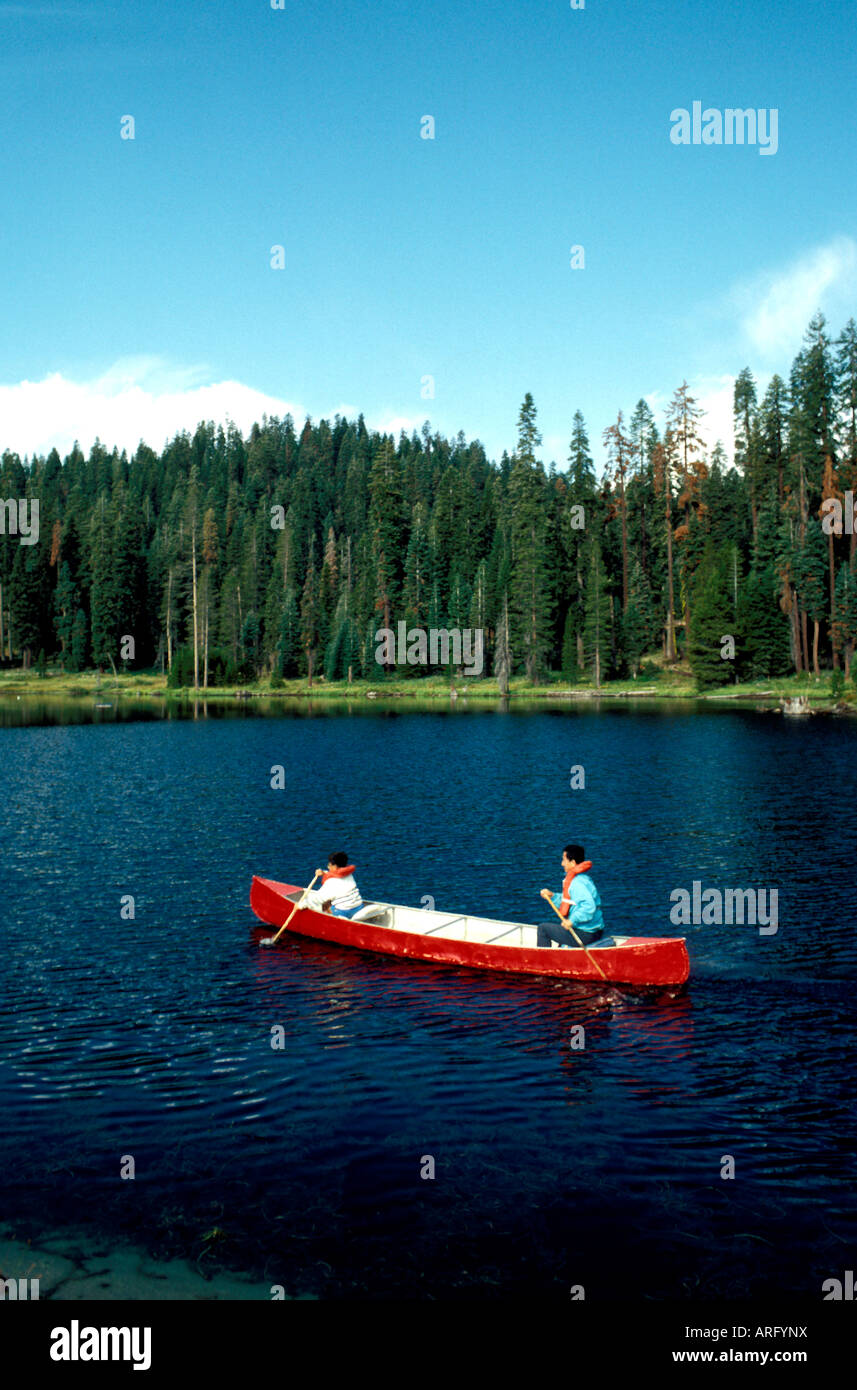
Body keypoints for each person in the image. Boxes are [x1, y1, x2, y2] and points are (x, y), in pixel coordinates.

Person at [537, 844, 604, 948]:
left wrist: (572, 921)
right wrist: (553, 896)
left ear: (572, 863)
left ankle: (543, 961)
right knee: (560, 931)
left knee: (543, 929)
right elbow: (570, 901)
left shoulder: (577, 883)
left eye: (564, 860)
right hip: (594, 931)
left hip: (586, 934)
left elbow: (588, 906)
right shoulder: (582, 878)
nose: (562, 864)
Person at [306, 852, 364, 918]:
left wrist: (301, 904)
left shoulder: (331, 882)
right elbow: (337, 875)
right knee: (331, 899)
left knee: (324, 905)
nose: (328, 867)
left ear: (335, 866)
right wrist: (324, 873)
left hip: (345, 911)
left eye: (329, 865)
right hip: (359, 906)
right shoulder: (348, 874)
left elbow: (318, 898)